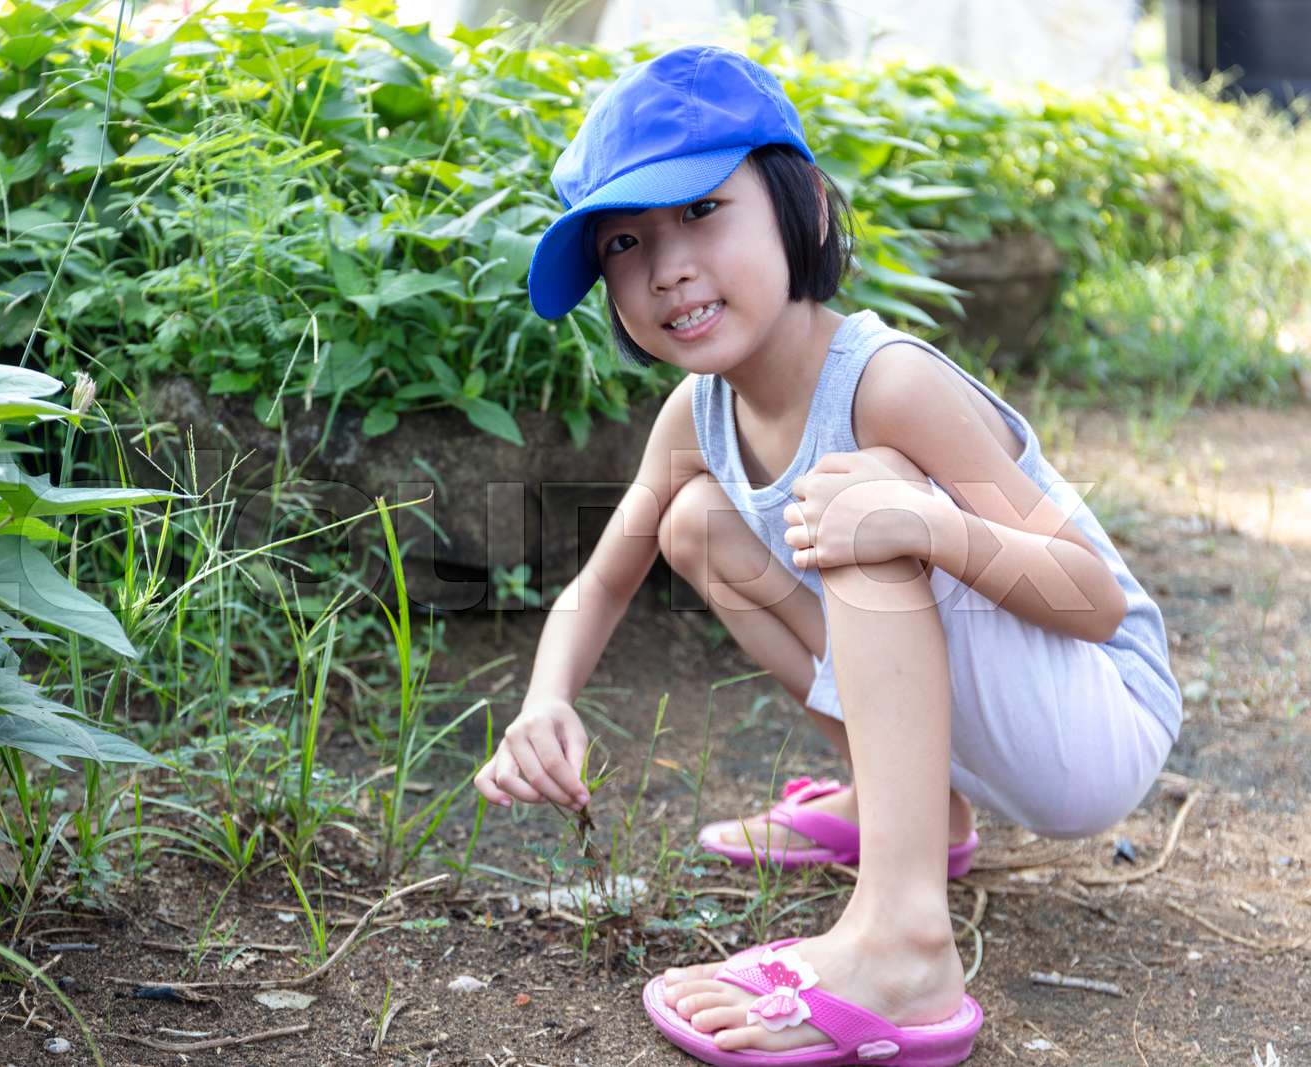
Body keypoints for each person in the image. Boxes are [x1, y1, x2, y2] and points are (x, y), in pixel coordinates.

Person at [471, 44, 1182, 1066]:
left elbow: (1089, 598)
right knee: (690, 526)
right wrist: (546, 700)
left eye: (703, 211)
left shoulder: (884, 383)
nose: (667, 265)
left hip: (1093, 711)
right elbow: (602, 578)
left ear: (801, 207)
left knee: (861, 497)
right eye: (625, 240)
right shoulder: (695, 414)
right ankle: (912, 811)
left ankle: (904, 940)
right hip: (997, 700)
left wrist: (927, 524)